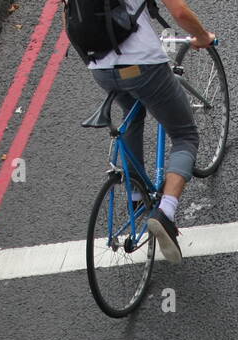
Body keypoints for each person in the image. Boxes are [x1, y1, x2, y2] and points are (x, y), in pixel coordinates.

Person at [73, 0, 215, 263]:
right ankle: (165, 214)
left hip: (99, 67)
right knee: (185, 135)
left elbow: (68, 15)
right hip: (142, 66)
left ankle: (137, 197)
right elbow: (181, 12)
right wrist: (202, 36)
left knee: (132, 113)